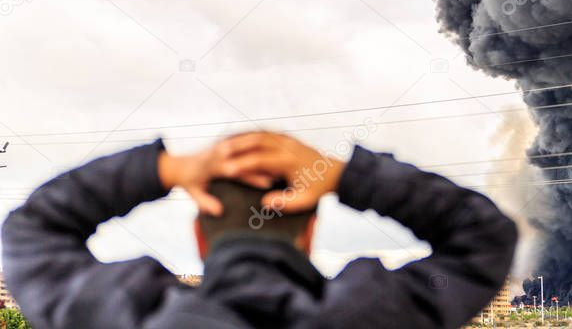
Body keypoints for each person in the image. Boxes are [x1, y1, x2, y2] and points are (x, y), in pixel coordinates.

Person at [1, 131, 518, 328]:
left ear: (199, 234)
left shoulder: (126, 315)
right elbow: (484, 237)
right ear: (311, 229)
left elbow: (30, 233)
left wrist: (165, 170)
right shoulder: (371, 314)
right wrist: (342, 174)